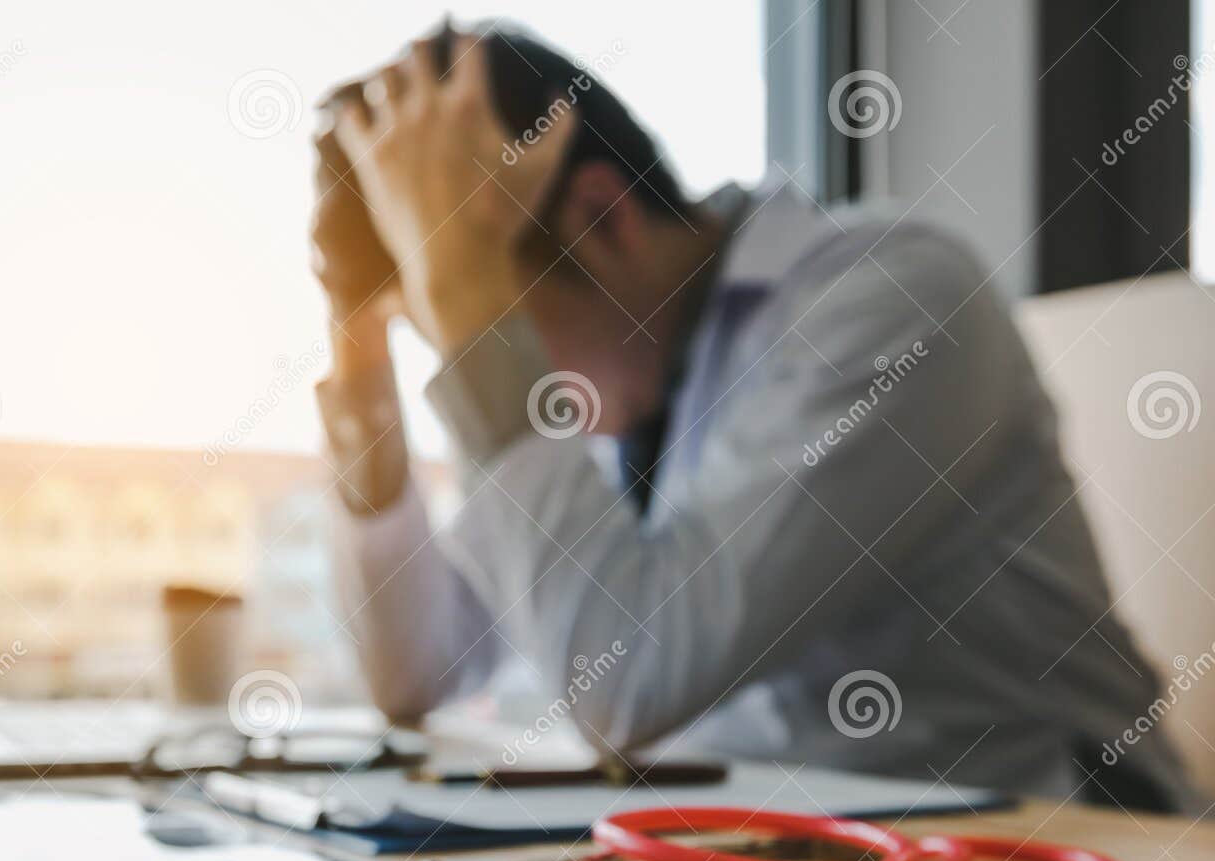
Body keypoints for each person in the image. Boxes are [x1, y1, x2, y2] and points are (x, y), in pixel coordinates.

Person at [308, 22, 1192, 810]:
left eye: (495, 321)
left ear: (602, 217)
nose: (488, 366)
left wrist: (468, 306)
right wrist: (362, 377)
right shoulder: (634, 384)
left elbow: (628, 685)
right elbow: (420, 673)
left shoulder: (892, 300)